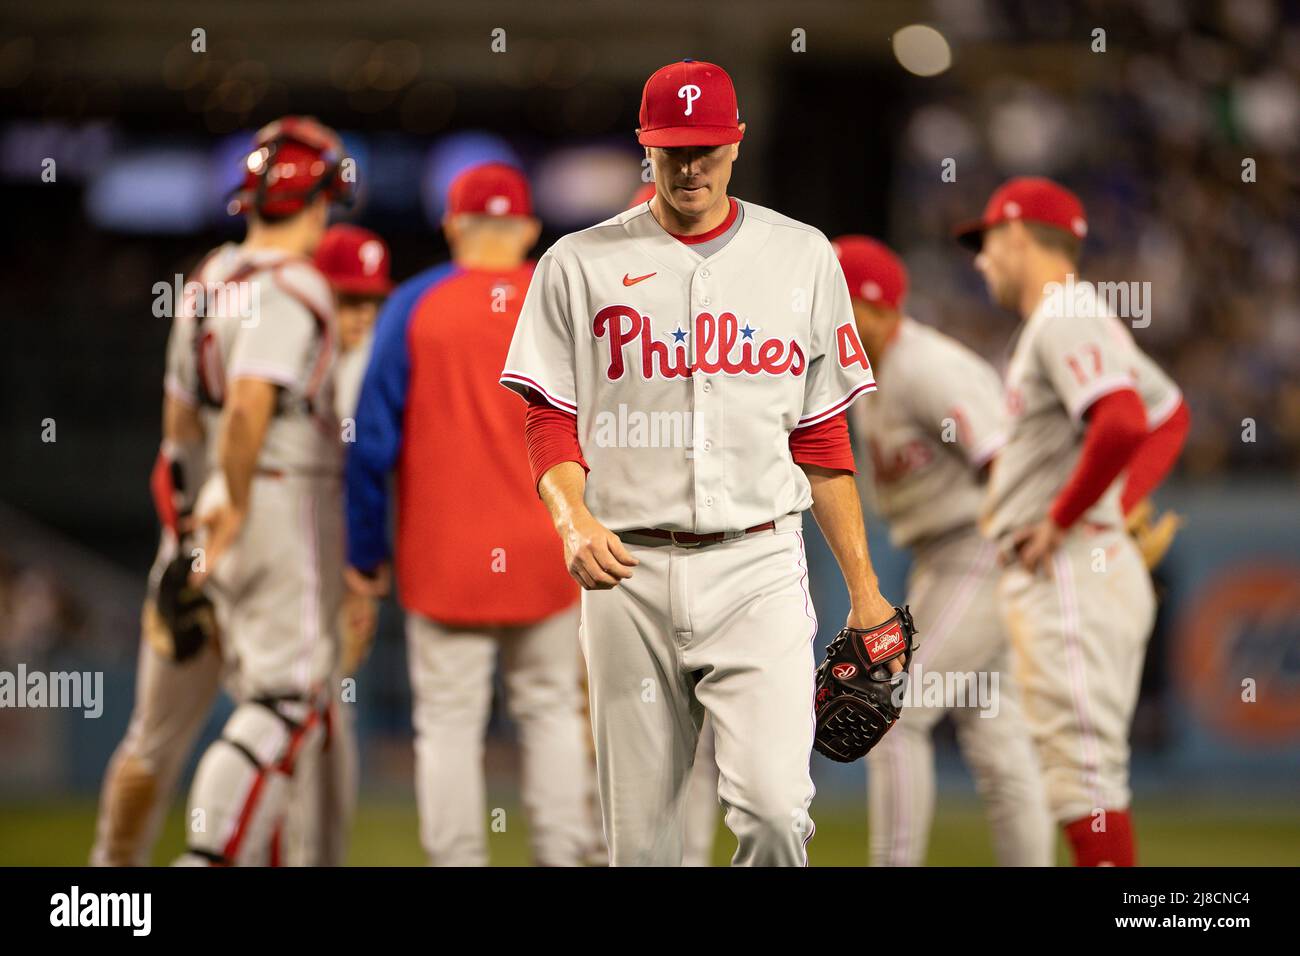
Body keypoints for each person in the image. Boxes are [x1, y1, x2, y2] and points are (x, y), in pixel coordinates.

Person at [501, 59, 899, 866]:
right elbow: (550, 417)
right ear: (645, 147)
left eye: (706, 148)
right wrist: (570, 519)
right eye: (672, 148)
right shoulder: (578, 262)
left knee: (777, 813)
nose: (690, 167)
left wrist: (866, 591)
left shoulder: (802, 256)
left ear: (737, 145)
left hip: (757, 565)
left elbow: (821, 438)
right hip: (628, 572)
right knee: (640, 845)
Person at [345, 162, 600, 867]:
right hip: (549, 548)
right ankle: (563, 854)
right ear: (527, 228)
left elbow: (368, 444)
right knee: (551, 714)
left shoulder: (410, 306)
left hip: (443, 557)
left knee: (448, 727)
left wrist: (365, 558)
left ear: (452, 225)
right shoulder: (562, 304)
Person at [956, 177, 1190, 866]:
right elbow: (1168, 411)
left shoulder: (1063, 314)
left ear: (1020, 236)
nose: (981, 260)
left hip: (1068, 573)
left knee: (1082, 783)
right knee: (1080, 779)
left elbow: (1122, 420)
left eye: (988, 241)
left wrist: (1066, 519)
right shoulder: (1078, 315)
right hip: (1078, 564)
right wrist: (1113, 506)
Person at [834, 234, 1052, 866]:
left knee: (895, 709)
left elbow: (1006, 460)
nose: (832, 318)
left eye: (843, 304)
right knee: (996, 736)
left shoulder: (926, 366)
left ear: (876, 306)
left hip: (983, 546)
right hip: (947, 556)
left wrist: (1042, 543)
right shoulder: (869, 373)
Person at [174, 115, 353, 866]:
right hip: (274, 499)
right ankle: (208, 855)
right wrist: (237, 505)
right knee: (288, 704)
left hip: (215, 497)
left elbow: (179, 419)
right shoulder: (295, 285)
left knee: (266, 701)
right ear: (311, 200)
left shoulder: (209, 276)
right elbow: (250, 402)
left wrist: (193, 516)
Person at [90, 265, 225, 866]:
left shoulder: (211, 286)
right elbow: (174, 467)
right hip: (217, 559)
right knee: (281, 724)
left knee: (278, 729)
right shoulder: (281, 295)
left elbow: (174, 460)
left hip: (196, 551)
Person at [278, 223, 394, 867]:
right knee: (292, 722)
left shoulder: (368, 364)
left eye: (371, 302)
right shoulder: (289, 353)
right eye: (348, 299)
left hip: (335, 567)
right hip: (285, 566)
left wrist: (360, 573)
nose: (361, 315)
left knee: (328, 722)